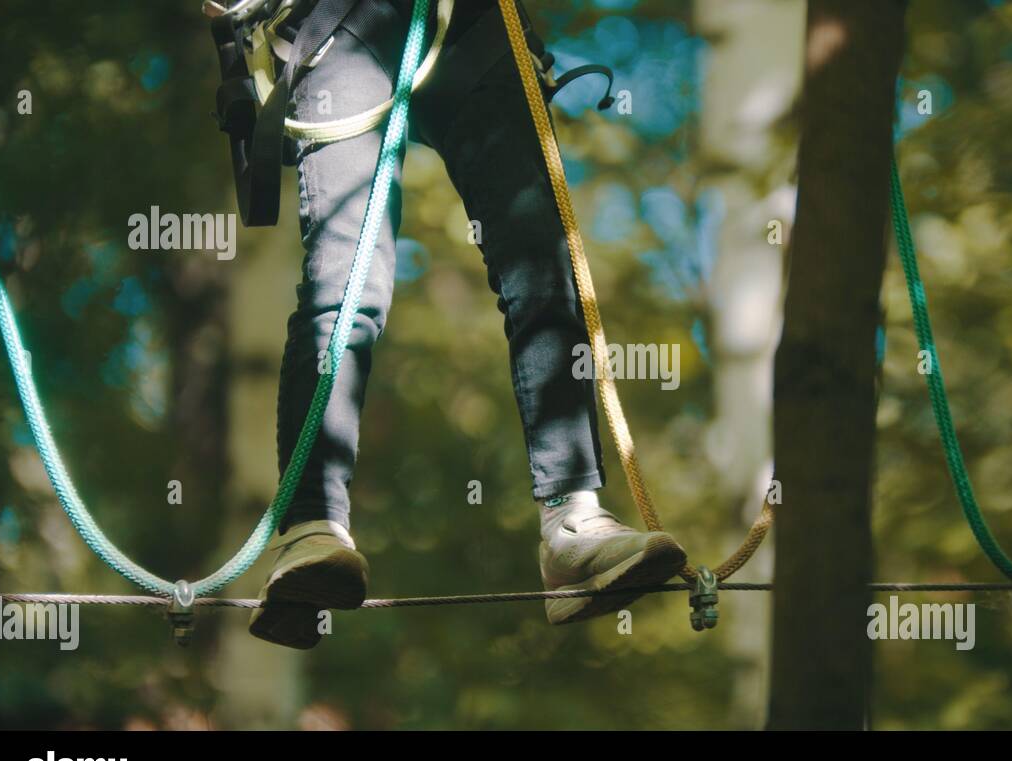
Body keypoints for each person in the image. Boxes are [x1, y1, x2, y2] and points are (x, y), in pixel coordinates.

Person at [245, 0, 687, 649]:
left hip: (472, 19)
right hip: (334, 19)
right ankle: (310, 529)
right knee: (346, 279)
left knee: (540, 256)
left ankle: (574, 524)